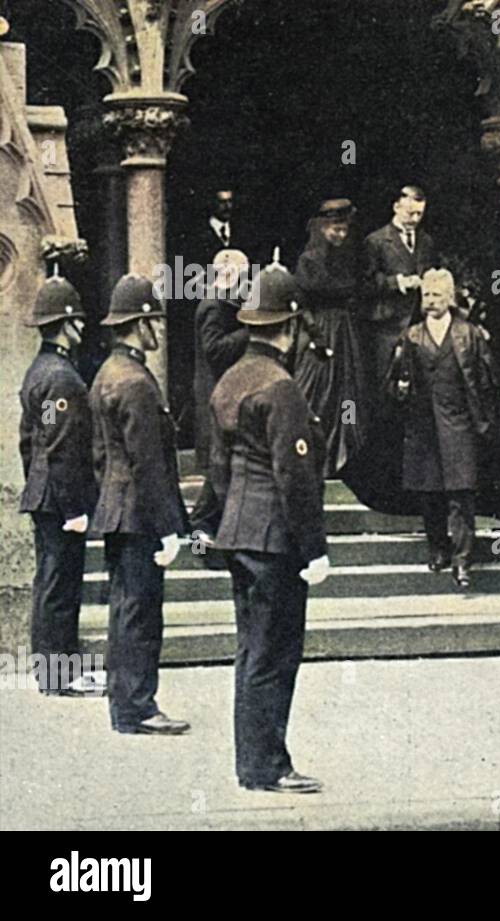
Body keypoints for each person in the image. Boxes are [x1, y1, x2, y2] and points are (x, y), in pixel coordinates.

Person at [205, 263, 330, 793]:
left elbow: (216, 469)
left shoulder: (231, 380)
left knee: (252, 651)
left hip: (238, 532)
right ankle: (267, 765)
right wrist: (314, 548)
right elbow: (294, 475)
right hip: (275, 539)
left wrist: (208, 526)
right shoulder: (281, 388)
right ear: (291, 326)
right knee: (275, 654)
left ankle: (254, 762)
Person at [89, 274, 190, 735]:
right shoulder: (136, 382)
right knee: (140, 612)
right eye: (155, 321)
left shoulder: (108, 373)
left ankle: (127, 704)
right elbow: (150, 463)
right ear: (142, 322)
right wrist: (171, 527)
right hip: (139, 514)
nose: (159, 332)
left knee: (125, 608)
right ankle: (137, 707)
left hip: (117, 507)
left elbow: (99, 456)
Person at [388, 269, 496, 589]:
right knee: (429, 493)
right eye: (426, 295)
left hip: (458, 423)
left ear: (450, 298)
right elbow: (393, 383)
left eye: (436, 295)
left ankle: (463, 560)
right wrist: (401, 388)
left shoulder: (469, 334)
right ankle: (438, 548)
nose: (430, 301)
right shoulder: (411, 336)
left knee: (461, 494)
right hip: (423, 426)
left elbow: (487, 380)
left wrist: (483, 421)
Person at [18, 275, 100, 696]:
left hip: (43, 492)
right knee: (60, 587)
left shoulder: (39, 372)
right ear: (66, 324)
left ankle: (53, 670)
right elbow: (63, 445)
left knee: (50, 583)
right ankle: (58, 674)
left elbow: (31, 441)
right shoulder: (63, 379)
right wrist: (73, 508)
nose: (83, 329)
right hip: (60, 498)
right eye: (78, 321)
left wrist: (38, 482)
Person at [295, 199, 368, 476]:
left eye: (343, 230)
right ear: (322, 228)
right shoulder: (309, 260)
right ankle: (315, 457)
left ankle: (344, 457)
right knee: (319, 393)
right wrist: (315, 335)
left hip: (344, 332)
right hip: (321, 331)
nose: (339, 235)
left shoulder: (345, 256)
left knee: (346, 392)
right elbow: (300, 303)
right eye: (334, 230)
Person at [364, 185, 437, 388]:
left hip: (420, 324)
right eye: (410, 213)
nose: (414, 219)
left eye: (419, 214)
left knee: (420, 386)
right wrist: (397, 282)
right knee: (385, 386)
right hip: (387, 327)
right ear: (396, 207)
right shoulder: (376, 241)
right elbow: (364, 283)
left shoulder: (426, 241)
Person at [192, 249, 250, 473]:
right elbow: (214, 350)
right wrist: (247, 333)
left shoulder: (223, 302)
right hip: (213, 387)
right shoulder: (214, 306)